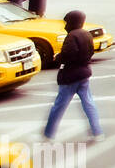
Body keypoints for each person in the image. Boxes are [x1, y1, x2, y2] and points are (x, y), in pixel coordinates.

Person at [42, 10, 105, 141]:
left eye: (67, 22)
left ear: (72, 22)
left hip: (70, 76)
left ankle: (49, 135)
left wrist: (57, 57)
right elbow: (90, 52)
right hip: (84, 73)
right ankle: (98, 132)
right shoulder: (87, 34)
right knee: (89, 103)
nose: (65, 25)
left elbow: (67, 54)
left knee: (59, 106)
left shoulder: (72, 36)